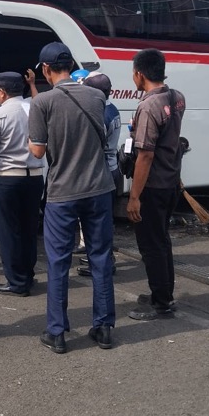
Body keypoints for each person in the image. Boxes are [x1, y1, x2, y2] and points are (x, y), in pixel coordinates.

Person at [28, 42, 115, 353]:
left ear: (47, 70)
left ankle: (57, 332)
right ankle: (104, 327)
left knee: (58, 261)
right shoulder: (97, 96)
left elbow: (37, 151)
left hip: (62, 193)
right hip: (99, 189)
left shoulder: (43, 103)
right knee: (101, 258)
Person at [125, 48, 186, 321]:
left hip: (153, 185)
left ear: (139, 74)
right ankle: (164, 293)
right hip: (171, 181)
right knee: (161, 241)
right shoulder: (176, 97)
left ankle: (160, 302)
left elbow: (146, 154)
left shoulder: (148, 106)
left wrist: (134, 196)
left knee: (151, 246)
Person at [0, 72, 43, 297]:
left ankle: (16, 283)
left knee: (8, 231)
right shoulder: (34, 108)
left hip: (7, 179)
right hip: (35, 177)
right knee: (29, 229)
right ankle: (27, 275)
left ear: (1, 92)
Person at [77, 71, 121, 277]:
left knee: (98, 223)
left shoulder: (101, 113)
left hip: (101, 171)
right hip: (111, 168)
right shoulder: (112, 109)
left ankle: (104, 264)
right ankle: (102, 261)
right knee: (103, 221)